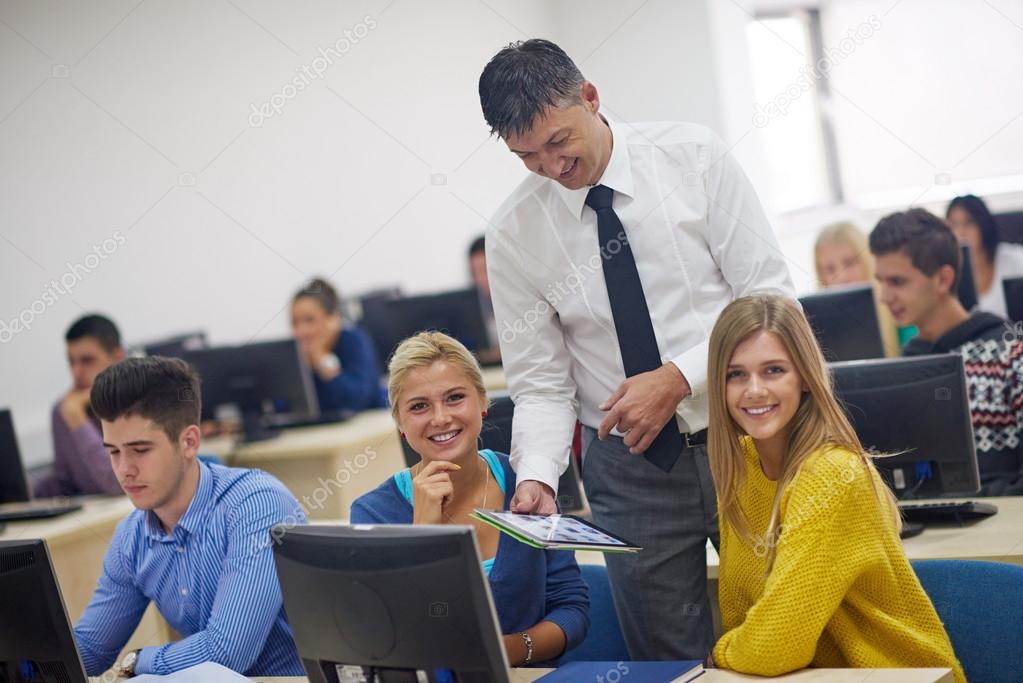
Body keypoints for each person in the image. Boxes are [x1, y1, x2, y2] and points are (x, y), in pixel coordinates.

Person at [477, 38, 794, 658]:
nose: (552, 167)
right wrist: (538, 475)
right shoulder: (514, 231)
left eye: (559, 141)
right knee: (667, 657)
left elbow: (771, 301)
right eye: (527, 156)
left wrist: (679, 377)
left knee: (785, 633)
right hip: (629, 469)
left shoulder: (693, 158)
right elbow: (541, 384)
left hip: (748, 435)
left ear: (591, 98)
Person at [706, 294, 964, 681]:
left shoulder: (830, 475)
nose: (754, 389)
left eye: (774, 370)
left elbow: (773, 647)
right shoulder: (739, 465)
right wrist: (742, 648)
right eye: (735, 374)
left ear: (804, 377)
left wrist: (720, 652)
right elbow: (742, 615)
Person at [350, 331, 589, 666]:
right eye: (419, 406)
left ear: (483, 401)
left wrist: (511, 650)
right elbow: (385, 638)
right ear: (400, 423)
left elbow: (571, 607)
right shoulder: (373, 513)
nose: (440, 418)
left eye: (454, 398)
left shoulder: (526, 482)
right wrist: (422, 535)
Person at [73, 356, 305, 676]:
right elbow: (89, 651)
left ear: (189, 442)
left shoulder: (257, 505)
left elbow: (227, 652)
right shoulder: (131, 536)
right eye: (113, 451)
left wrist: (137, 661)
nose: (124, 469)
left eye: (140, 450)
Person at [869, 208, 1023, 495]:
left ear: (943, 279)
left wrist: (969, 501)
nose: (884, 297)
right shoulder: (904, 367)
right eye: (881, 281)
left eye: (897, 282)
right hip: (925, 522)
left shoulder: (1012, 355)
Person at [34, 314, 125, 497]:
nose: (76, 372)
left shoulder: (141, 402)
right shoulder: (63, 410)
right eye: (71, 361)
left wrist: (78, 421)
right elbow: (65, 482)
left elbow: (119, 483)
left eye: (87, 360)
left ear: (117, 357)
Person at [291, 277, 386, 413]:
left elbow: (357, 400)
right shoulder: (295, 354)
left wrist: (320, 359)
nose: (301, 331)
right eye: (295, 323)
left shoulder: (353, 340)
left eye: (309, 320)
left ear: (332, 319)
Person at [813, 221, 904, 355]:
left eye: (850, 263)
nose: (841, 277)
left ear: (869, 262)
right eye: (830, 270)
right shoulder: (817, 331)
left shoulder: (901, 312)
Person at [946, 194, 1023, 318]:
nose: (960, 232)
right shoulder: (947, 275)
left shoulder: (1016, 259)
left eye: (969, 223)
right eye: (953, 225)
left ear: (983, 225)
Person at [469, 234, 501, 364]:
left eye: (485, 270)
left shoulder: (523, 299)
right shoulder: (471, 308)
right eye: (475, 272)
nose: (480, 279)